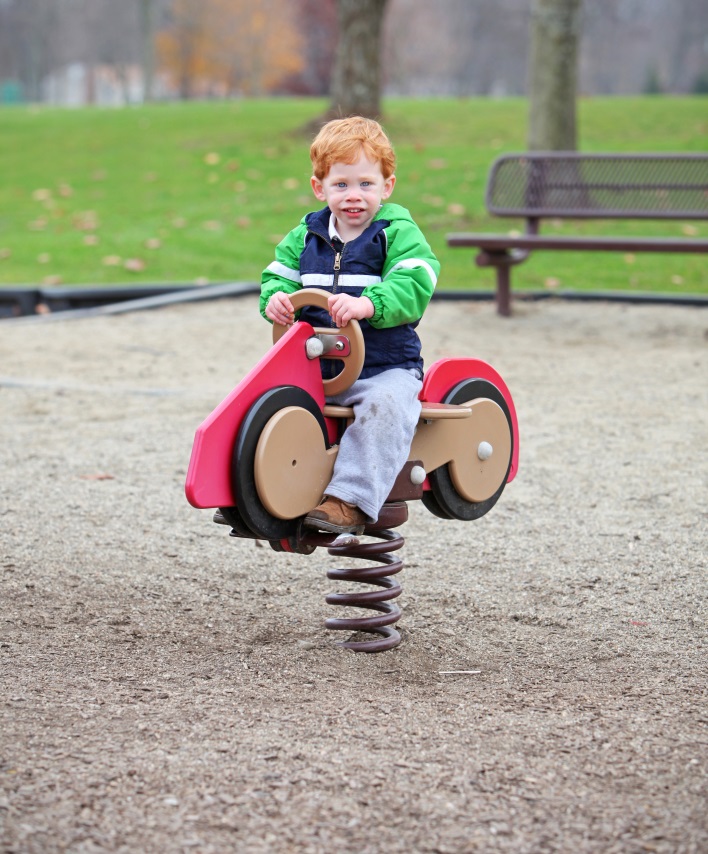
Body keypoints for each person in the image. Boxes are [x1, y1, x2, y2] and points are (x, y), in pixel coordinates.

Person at [260, 116, 440, 534]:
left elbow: (416, 281)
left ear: (387, 186)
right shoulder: (305, 236)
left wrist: (368, 304)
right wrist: (276, 301)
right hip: (317, 368)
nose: (353, 196)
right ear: (319, 188)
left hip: (384, 366)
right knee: (264, 399)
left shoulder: (395, 233)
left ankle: (351, 500)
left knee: (384, 407)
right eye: (341, 185)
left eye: (365, 184)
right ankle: (259, 488)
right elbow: (278, 277)